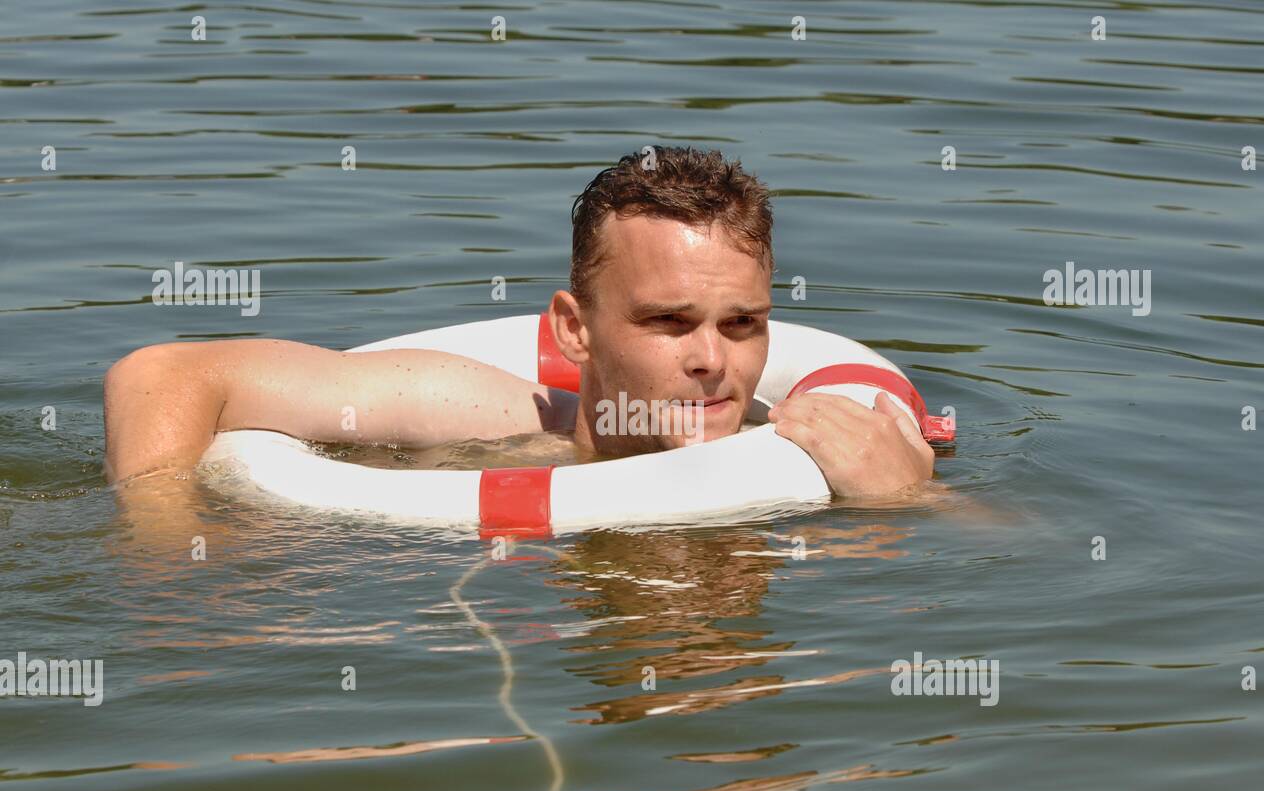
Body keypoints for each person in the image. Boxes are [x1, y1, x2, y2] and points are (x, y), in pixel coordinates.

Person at [103, 146, 934, 499]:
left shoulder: (825, 449)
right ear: (574, 329)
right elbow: (159, 376)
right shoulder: (484, 419)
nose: (711, 360)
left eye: (742, 322)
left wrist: (908, 502)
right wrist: (167, 551)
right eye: (668, 321)